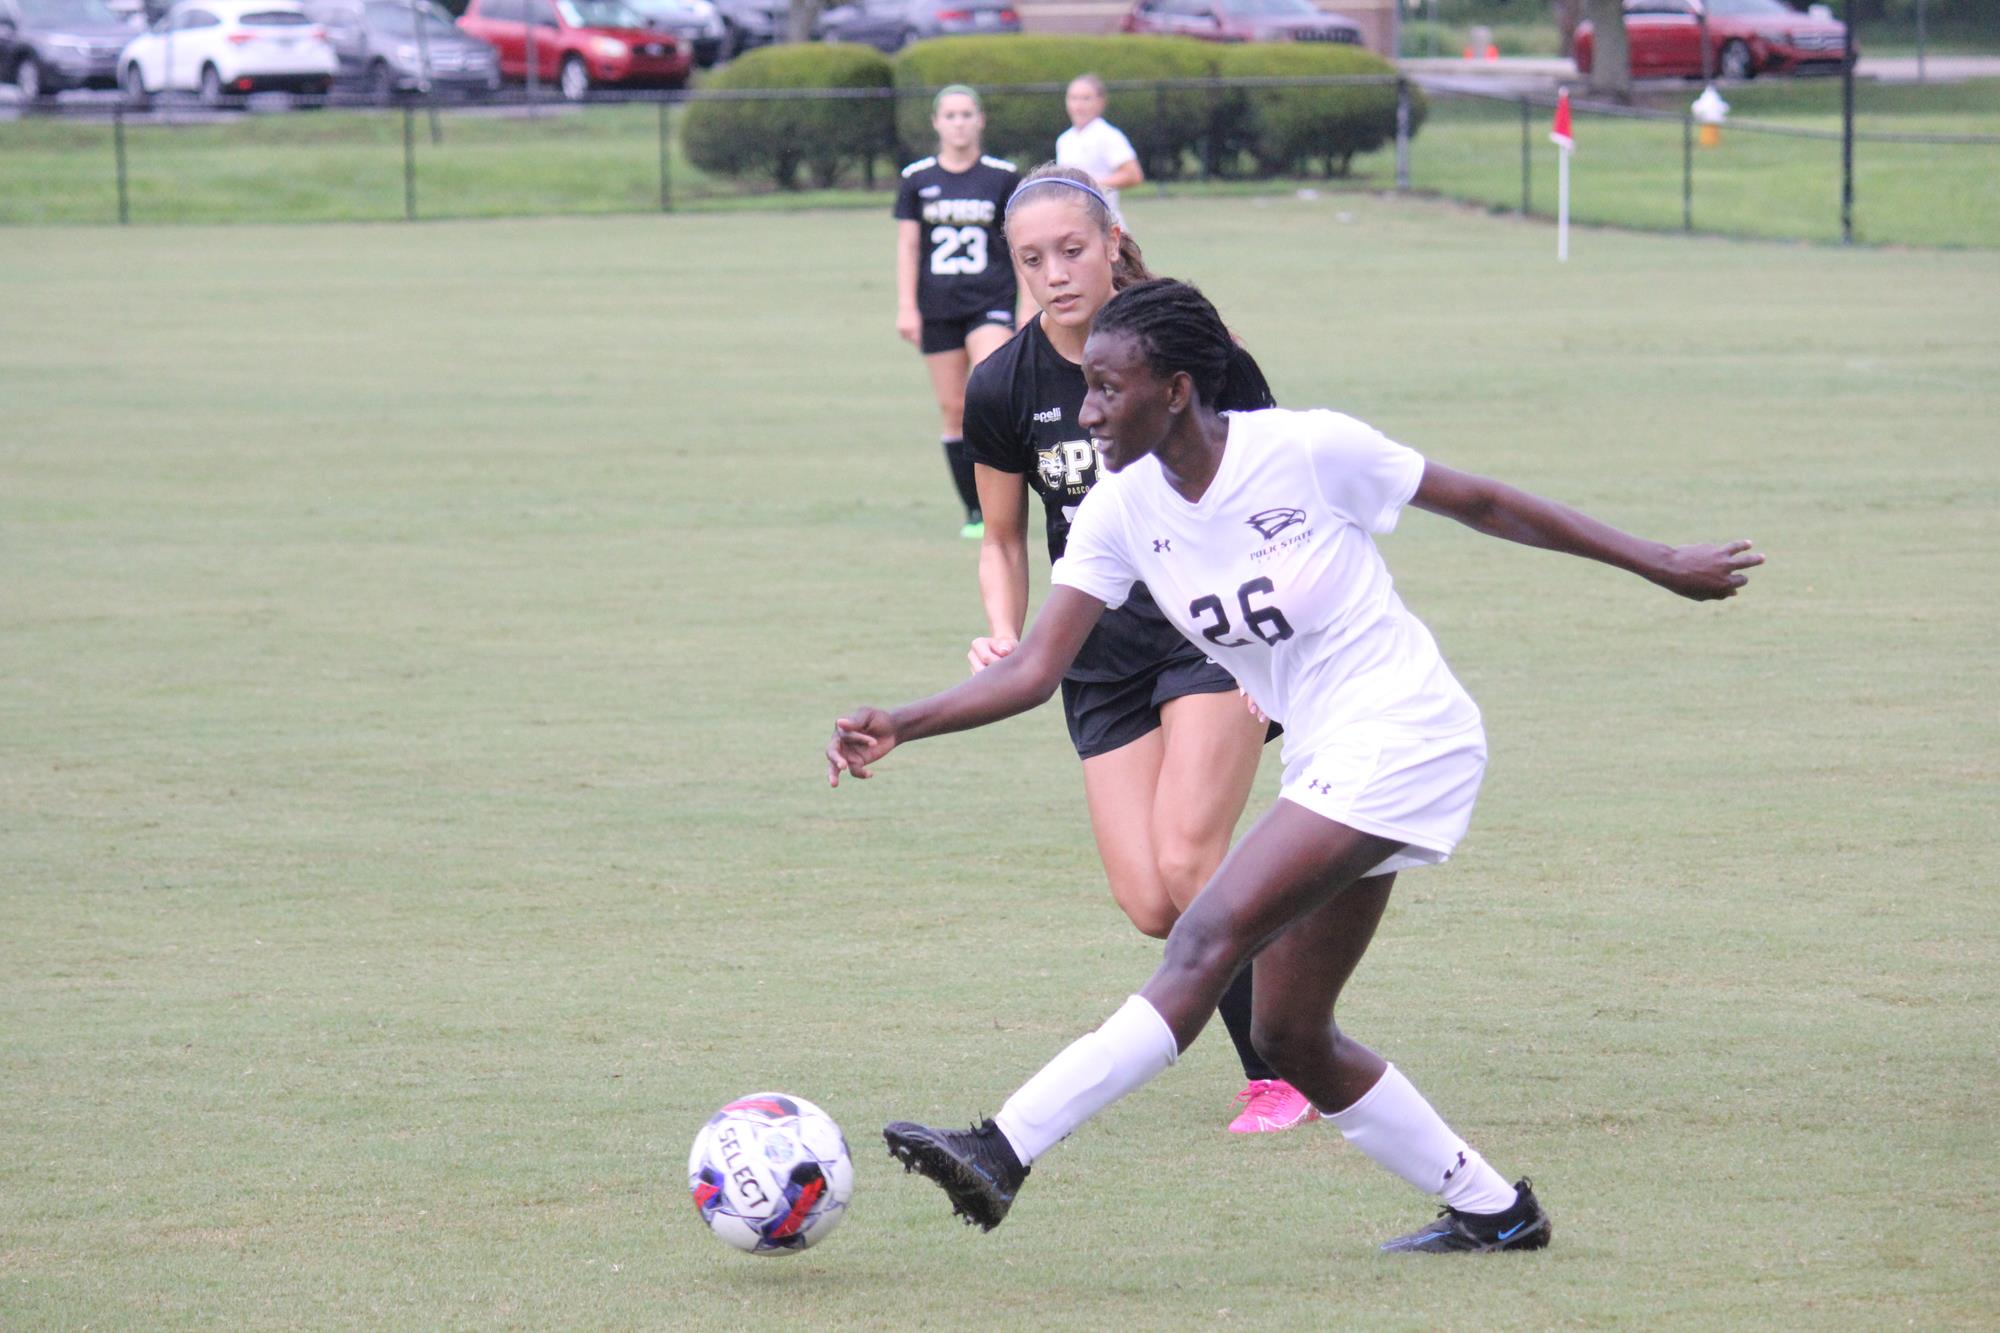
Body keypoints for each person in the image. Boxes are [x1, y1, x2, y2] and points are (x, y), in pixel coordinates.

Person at [828, 278, 1763, 1252]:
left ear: (1178, 389)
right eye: (1085, 391)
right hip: (1328, 751)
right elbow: (1032, 667)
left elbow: (1483, 502)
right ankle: (1496, 1211)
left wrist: (1659, 560)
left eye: (1109, 390)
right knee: (1287, 1033)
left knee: (1203, 938)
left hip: (1406, 729)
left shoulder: (1306, 450)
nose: (1090, 411)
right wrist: (903, 718)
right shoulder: (1118, 510)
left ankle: (1000, 1146)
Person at [965, 165, 1315, 1135]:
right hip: (1099, 656)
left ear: (1112, 239)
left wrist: (1267, 637)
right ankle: (1294, 911)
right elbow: (1000, 538)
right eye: (1030, 259)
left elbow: (1279, 490)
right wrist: (1005, 626)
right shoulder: (1001, 384)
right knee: (1153, 902)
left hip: (1214, 632)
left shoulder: (1191, 347)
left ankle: (1285, 1068)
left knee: (1189, 857)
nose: (1054, 273)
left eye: (1070, 250)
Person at [894, 85, 1022, 540]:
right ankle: (975, 508)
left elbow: (1018, 247)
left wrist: (1025, 306)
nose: (959, 123)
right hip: (938, 307)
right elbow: (909, 246)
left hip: (991, 302)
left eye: (966, 114)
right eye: (950, 115)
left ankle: (1013, 495)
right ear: (936, 123)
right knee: (953, 409)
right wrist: (907, 306)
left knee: (990, 394)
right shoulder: (917, 179)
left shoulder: (1003, 178)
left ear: (980, 119)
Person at [1055, 74, 1143, 217]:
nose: (1079, 105)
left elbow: (1133, 175)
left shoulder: (1108, 135)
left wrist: (1089, 185)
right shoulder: (1064, 139)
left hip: (1104, 219)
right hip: (1073, 219)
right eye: (1073, 98)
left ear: (1100, 102)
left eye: (1086, 98)